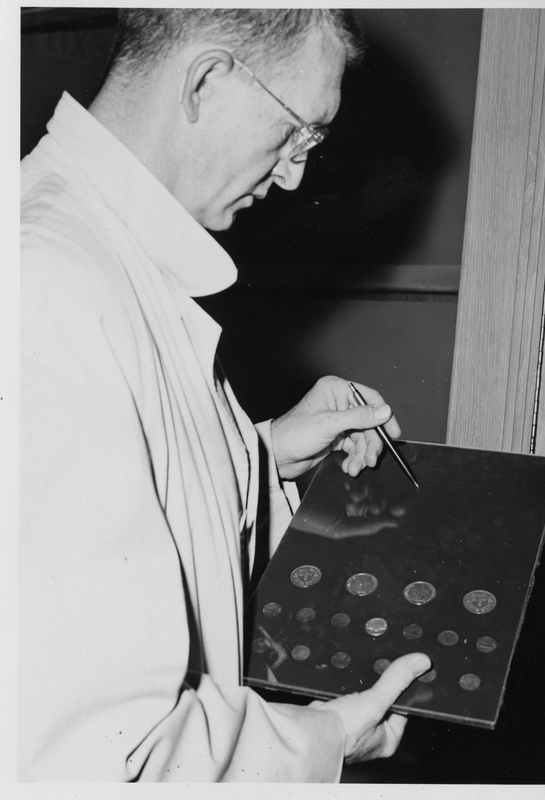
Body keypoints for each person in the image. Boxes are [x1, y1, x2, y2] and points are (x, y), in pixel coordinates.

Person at [19, 9, 430, 782]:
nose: (295, 175)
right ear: (207, 80)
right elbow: (103, 761)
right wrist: (325, 739)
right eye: (296, 133)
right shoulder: (47, 285)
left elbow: (128, 510)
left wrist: (262, 451)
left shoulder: (103, 254)